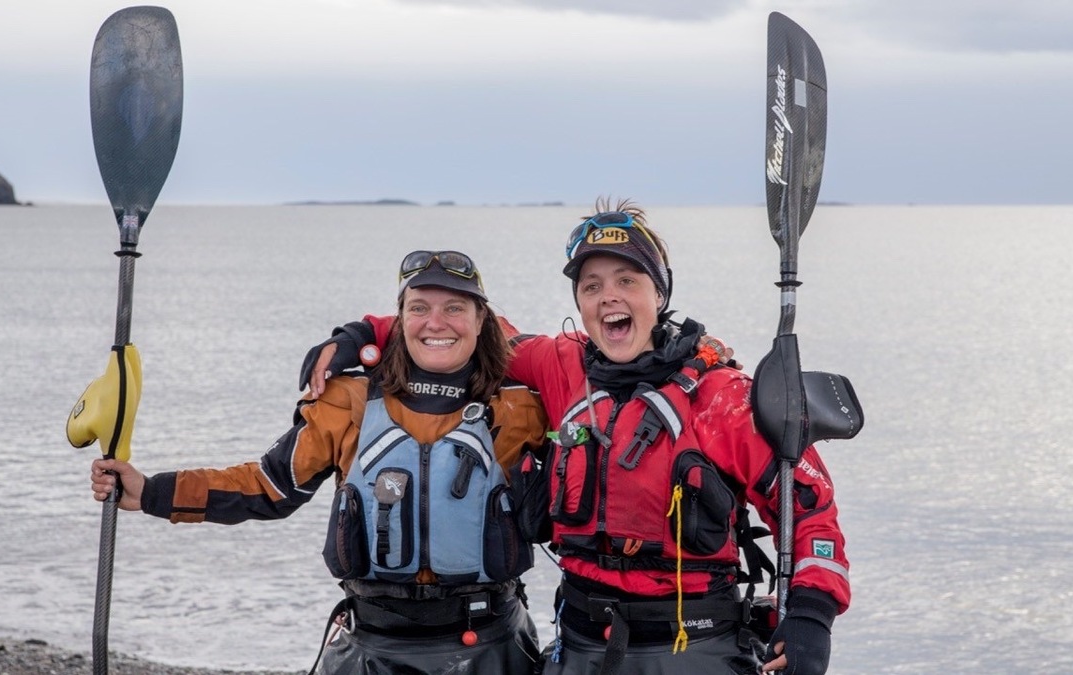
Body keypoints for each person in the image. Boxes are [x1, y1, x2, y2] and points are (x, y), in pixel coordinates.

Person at [301, 198, 851, 675]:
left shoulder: (722, 396)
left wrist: (810, 614)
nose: (608, 297)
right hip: (583, 644)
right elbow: (460, 329)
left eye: (626, 281)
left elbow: (810, 507)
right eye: (592, 286)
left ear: (658, 295)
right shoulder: (561, 368)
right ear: (581, 304)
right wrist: (365, 332)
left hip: (694, 645)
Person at [86, 250, 550, 675]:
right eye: (419, 308)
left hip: (492, 641)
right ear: (401, 317)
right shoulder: (349, 399)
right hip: (372, 644)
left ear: (480, 318)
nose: (436, 323)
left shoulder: (520, 408)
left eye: (455, 308)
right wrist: (150, 492)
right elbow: (268, 487)